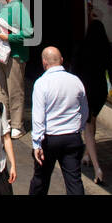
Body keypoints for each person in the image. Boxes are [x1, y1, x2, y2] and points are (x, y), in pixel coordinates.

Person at [73, 10, 112, 184]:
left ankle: (96, 167)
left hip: (84, 91)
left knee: (88, 127)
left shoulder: (81, 47)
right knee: (92, 120)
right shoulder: (106, 50)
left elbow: (73, 72)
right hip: (100, 92)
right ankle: (87, 154)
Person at [29, 46, 88, 196]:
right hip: (72, 137)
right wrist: (77, 129)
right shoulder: (76, 81)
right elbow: (84, 111)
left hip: (50, 139)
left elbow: (38, 116)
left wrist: (37, 143)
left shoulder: (42, 83)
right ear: (61, 60)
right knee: (74, 181)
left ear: (44, 62)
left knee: (40, 180)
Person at [0, 0, 35, 138]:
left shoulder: (19, 8)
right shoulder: (1, 6)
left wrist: (8, 38)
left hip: (15, 55)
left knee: (15, 90)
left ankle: (17, 125)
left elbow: (28, 32)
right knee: (1, 89)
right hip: (0, 55)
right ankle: (5, 120)